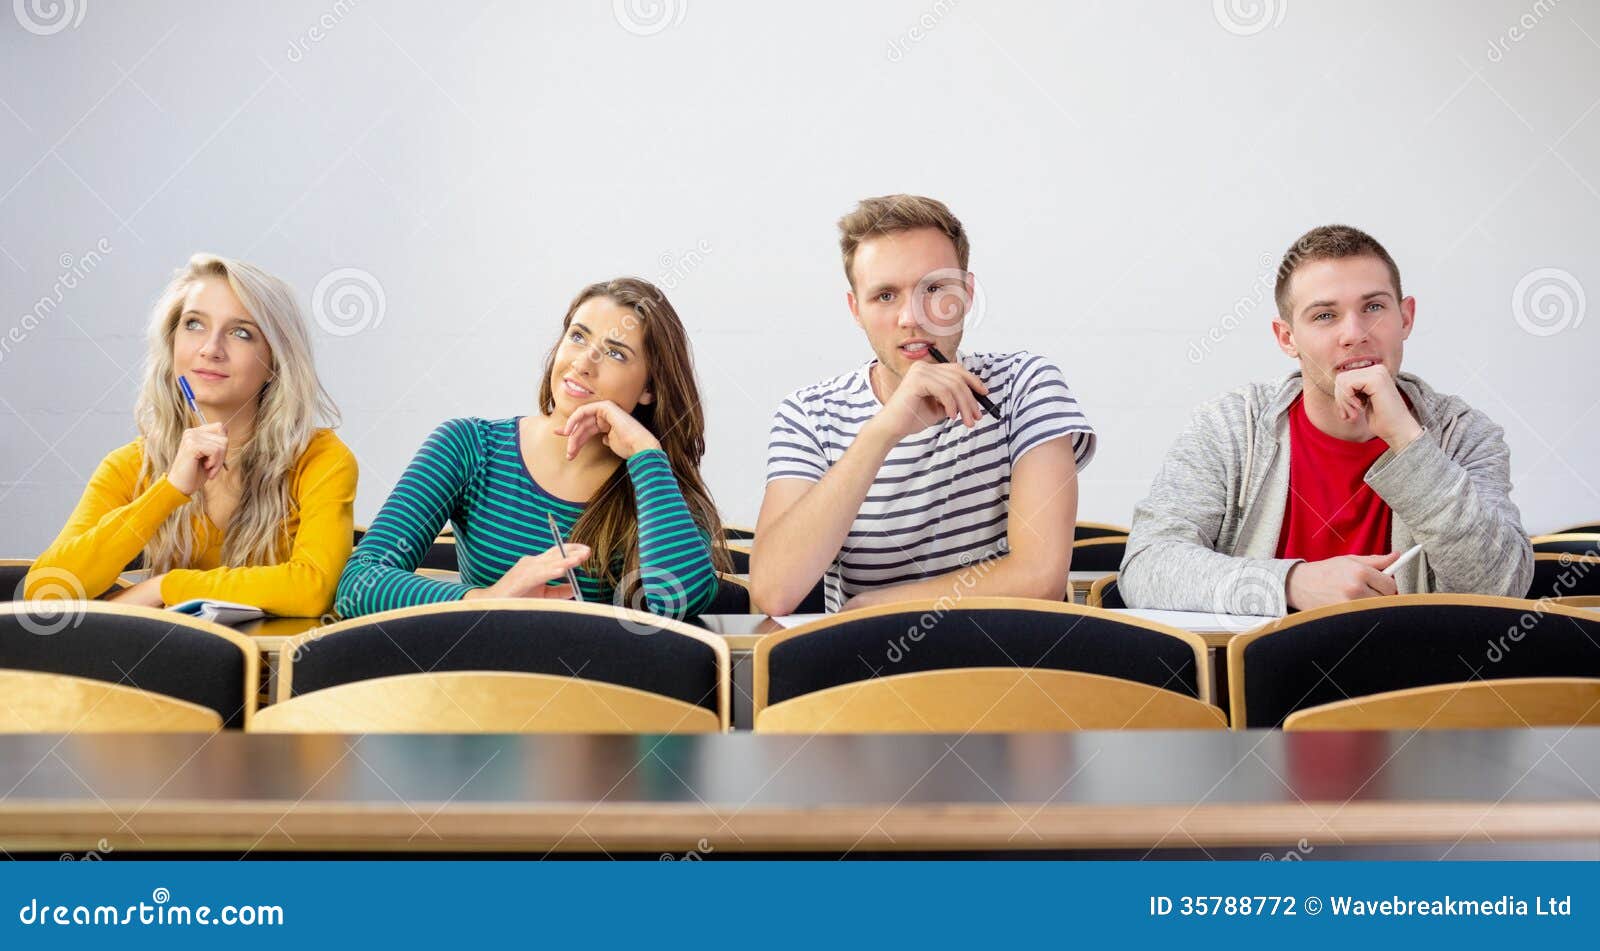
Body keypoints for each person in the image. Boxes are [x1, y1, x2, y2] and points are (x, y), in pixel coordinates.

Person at [1120, 224, 1533, 615]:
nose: (1354, 333)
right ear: (1287, 338)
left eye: (1373, 307)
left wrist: (1409, 441)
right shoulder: (1230, 427)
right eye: (1324, 316)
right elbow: (1146, 565)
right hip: (1264, 681)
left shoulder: (1464, 434)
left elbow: (1499, 586)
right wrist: (1293, 582)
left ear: (1405, 318)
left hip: (1418, 682)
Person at [752, 194, 1096, 614]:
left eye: (933, 289)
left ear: (967, 295)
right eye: (884, 296)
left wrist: (872, 606)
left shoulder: (1025, 384)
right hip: (865, 671)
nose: (912, 317)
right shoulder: (808, 414)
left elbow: (1040, 576)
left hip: (1004, 666)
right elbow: (774, 592)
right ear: (855, 309)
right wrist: (882, 431)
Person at [335, 277, 726, 619]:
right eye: (578, 337)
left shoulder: (657, 484)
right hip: (483, 692)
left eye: (615, 353)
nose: (583, 364)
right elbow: (359, 583)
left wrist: (645, 453)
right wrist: (486, 598)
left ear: (649, 389)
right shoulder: (470, 447)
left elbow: (674, 605)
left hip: (600, 695)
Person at [26, 253, 356, 617]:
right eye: (194, 325)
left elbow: (313, 591)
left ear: (275, 363)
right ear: (171, 344)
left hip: (280, 671)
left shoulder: (319, 458)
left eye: (241, 332)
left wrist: (164, 587)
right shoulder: (130, 466)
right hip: (158, 670)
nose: (210, 349)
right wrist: (170, 490)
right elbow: (44, 594)